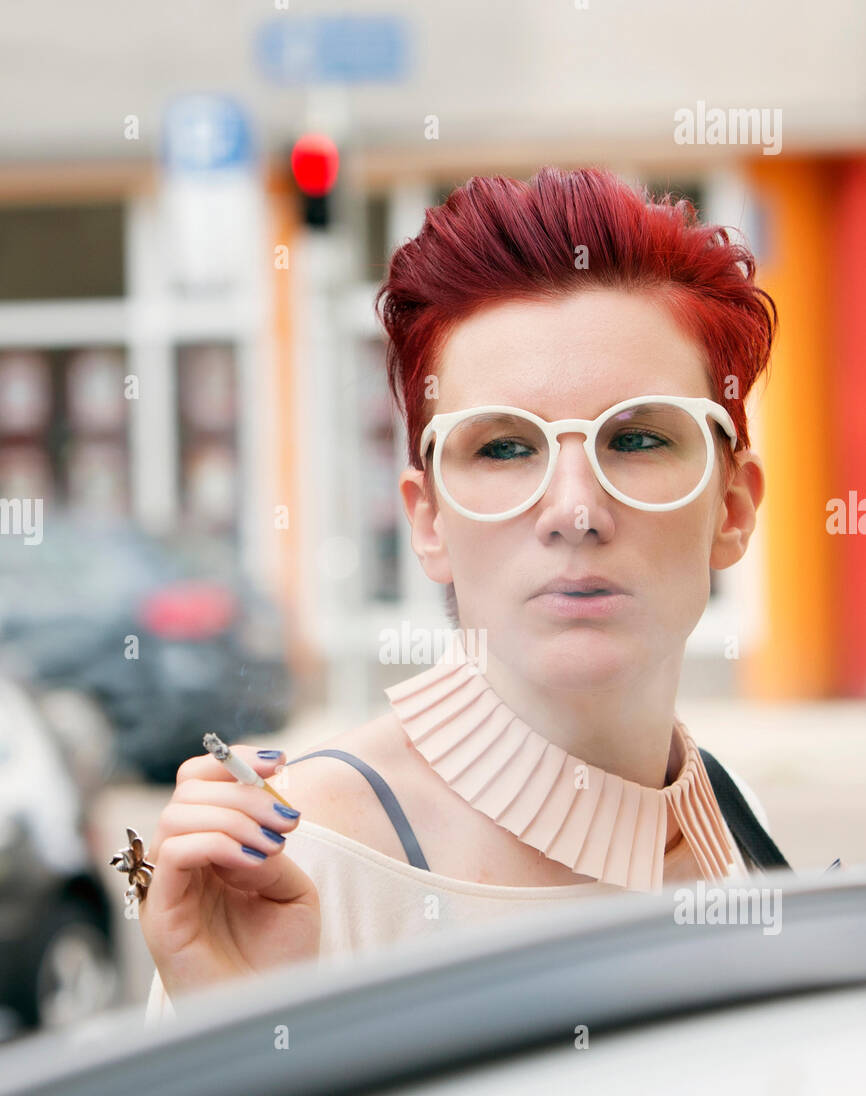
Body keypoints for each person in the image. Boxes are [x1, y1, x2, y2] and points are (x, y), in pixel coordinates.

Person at [140, 165, 785, 1023]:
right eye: (504, 449)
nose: (576, 510)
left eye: (636, 437)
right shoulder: (302, 862)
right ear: (429, 519)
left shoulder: (736, 828)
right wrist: (240, 1026)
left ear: (732, 509)